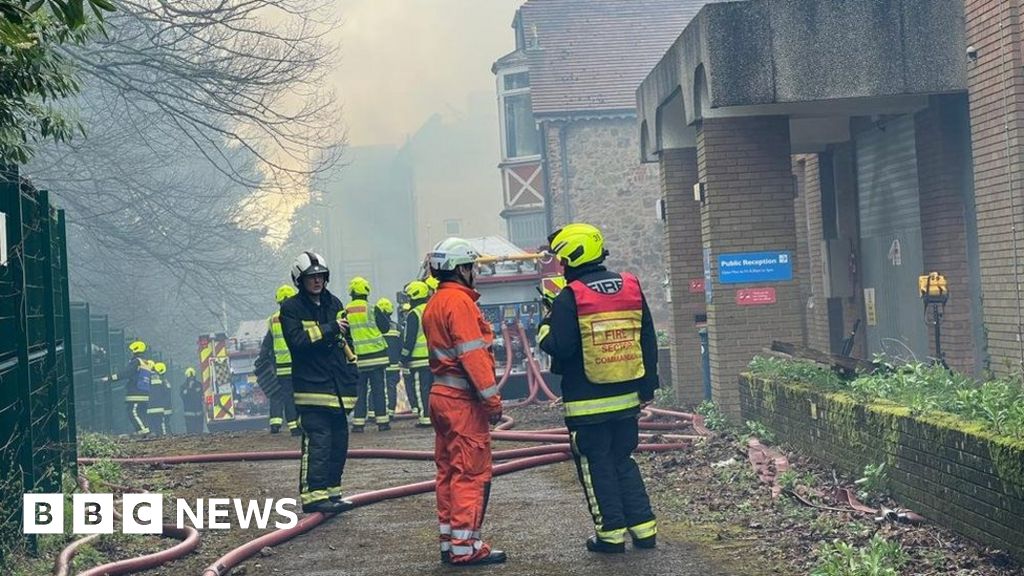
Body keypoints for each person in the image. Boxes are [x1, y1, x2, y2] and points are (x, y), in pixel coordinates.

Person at [538, 223, 659, 554]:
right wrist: (649, 386)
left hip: (588, 405)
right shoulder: (630, 287)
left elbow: (559, 347)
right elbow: (646, 337)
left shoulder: (569, 298)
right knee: (623, 459)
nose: (561, 267)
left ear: (574, 256)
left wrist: (545, 322)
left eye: (562, 260)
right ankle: (644, 529)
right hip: (627, 399)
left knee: (597, 465)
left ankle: (610, 535)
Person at [422, 237, 506, 566]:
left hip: (441, 396)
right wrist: (492, 401)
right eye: (472, 267)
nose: (476, 273)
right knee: (470, 473)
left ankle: (449, 541)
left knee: (448, 471)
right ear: (461, 269)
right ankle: (466, 548)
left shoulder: (436, 302)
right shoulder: (460, 303)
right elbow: (473, 357)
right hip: (462, 401)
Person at [280, 251, 358, 514]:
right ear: (299, 280)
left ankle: (332, 492)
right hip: (310, 387)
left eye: (320, 276)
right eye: (311, 277)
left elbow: (347, 341)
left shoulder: (334, 303)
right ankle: (313, 496)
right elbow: (298, 342)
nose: (317, 281)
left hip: (336, 387)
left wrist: (352, 375)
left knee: (339, 440)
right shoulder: (290, 308)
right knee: (319, 440)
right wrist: (330, 328)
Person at [347, 276, 391, 433]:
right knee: (378, 390)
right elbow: (385, 328)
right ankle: (383, 422)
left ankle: (358, 424)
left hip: (357, 359)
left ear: (351, 292)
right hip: (377, 357)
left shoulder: (345, 312)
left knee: (359, 392)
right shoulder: (373, 308)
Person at [264, 284, 301, 435]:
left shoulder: (272, 320)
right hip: (298, 363)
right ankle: (296, 425)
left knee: (286, 395)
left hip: (281, 365)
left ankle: (286, 425)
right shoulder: (299, 315)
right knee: (300, 394)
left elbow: (269, 342)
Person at [402, 280, 433, 427]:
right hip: (435, 357)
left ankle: (425, 418)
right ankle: (435, 417)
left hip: (419, 359)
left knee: (422, 390)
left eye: (409, 296)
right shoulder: (432, 308)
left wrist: (404, 356)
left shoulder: (414, 314)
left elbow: (410, 338)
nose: (408, 300)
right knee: (434, 390)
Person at [376, 298, 403, 417]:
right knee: (391, 387)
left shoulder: (375, 329)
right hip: (394, 364)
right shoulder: (397, 327)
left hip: (381, 363)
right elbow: (402, 344)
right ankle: (391, 411)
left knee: (377, 388)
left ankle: (376, 412)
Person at [122, 340, 152, 436]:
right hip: (144, 392)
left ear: (135, 350)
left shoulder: (136, 362)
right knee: (141, 413)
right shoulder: (145, 362)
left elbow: (126, 373)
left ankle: (143, 431)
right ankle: (144, 430)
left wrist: (110, 378)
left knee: (132, 412)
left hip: (135, 393)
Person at [147, 360, 169, 437]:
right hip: (159, 405)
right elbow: (166, 391)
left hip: (149, 406)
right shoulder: (161, 379)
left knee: (151, 422)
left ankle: (153, 433)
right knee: (160, 422)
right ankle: (162, 435)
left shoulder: (145, 378)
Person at [181, 367, 205, 434]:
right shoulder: (183, 387)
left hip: (199, 413)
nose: (192, 379)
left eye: (193, 377)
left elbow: (202, 395)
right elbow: (183, 397)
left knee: (199, 431)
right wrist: (189, 388)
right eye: (190, 378)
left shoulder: (199, 385)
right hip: (189, 414)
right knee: (190, 431)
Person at [154, 362, 173, 435]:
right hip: (167, 406)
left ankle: (165, 435)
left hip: (164, 407)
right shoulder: (165, 381)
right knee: (166, 423)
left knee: (163, 423)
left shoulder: (161, 382)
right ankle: (168, 434)